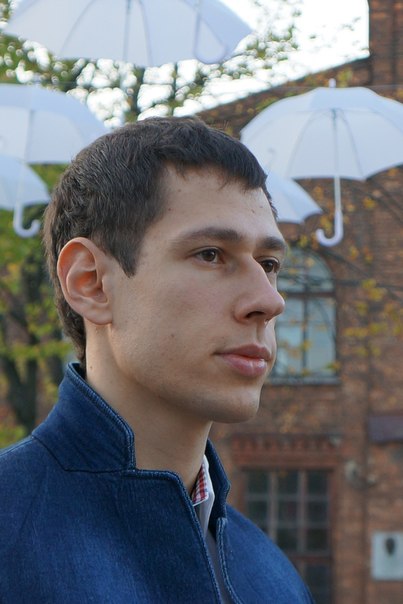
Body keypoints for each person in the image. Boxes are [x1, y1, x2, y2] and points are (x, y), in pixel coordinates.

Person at [0, 117, 315, 603]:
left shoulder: (271, 576)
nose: (270, 301)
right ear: (91, 283)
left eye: (269, 264)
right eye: (210, 254)